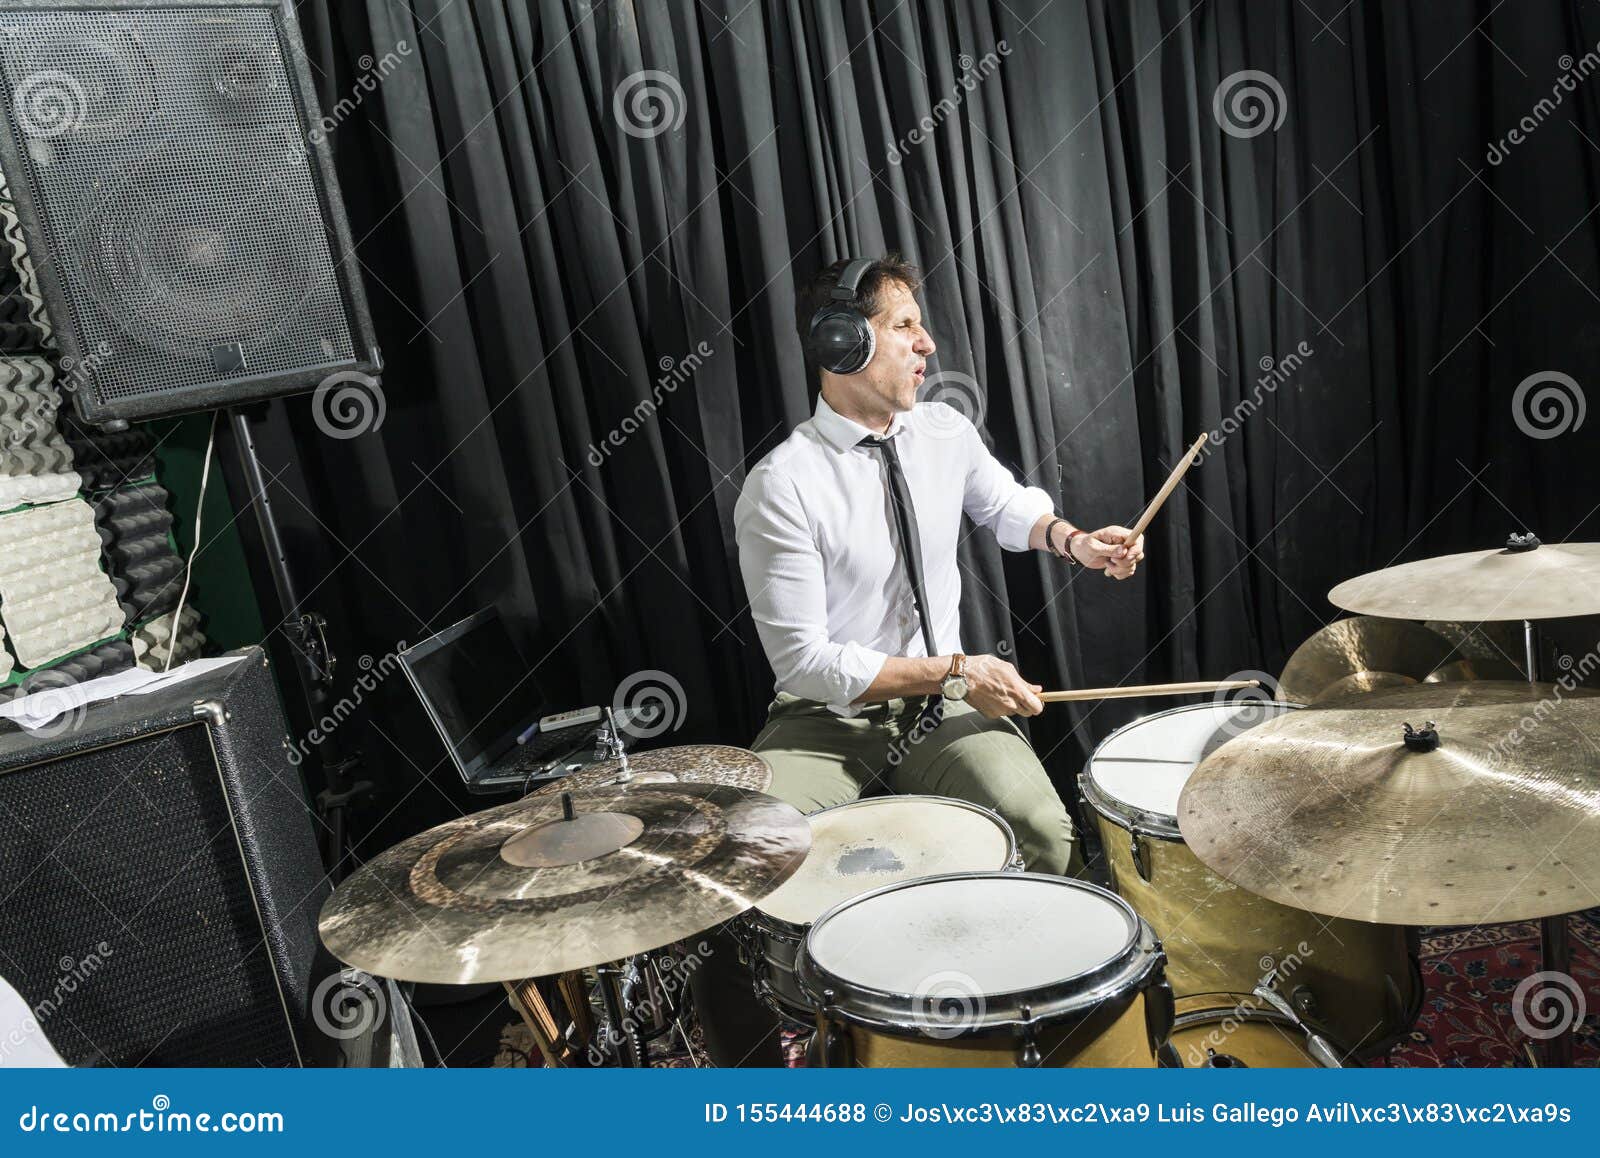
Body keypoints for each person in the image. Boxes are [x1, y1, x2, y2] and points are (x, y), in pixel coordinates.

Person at [688, 253, 1144, 1066]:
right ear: (841, 345)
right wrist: (958, 670)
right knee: (734, 876)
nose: (927, 344)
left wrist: (1075, 541)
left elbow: (1007, 508)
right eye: (905, 326)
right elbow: (807, 664)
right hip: (828, 721)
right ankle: (751, 1088)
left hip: (945, 706)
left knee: (1043, 831)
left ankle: (1008, 1037)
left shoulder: (944, 431)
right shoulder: (783, 484)